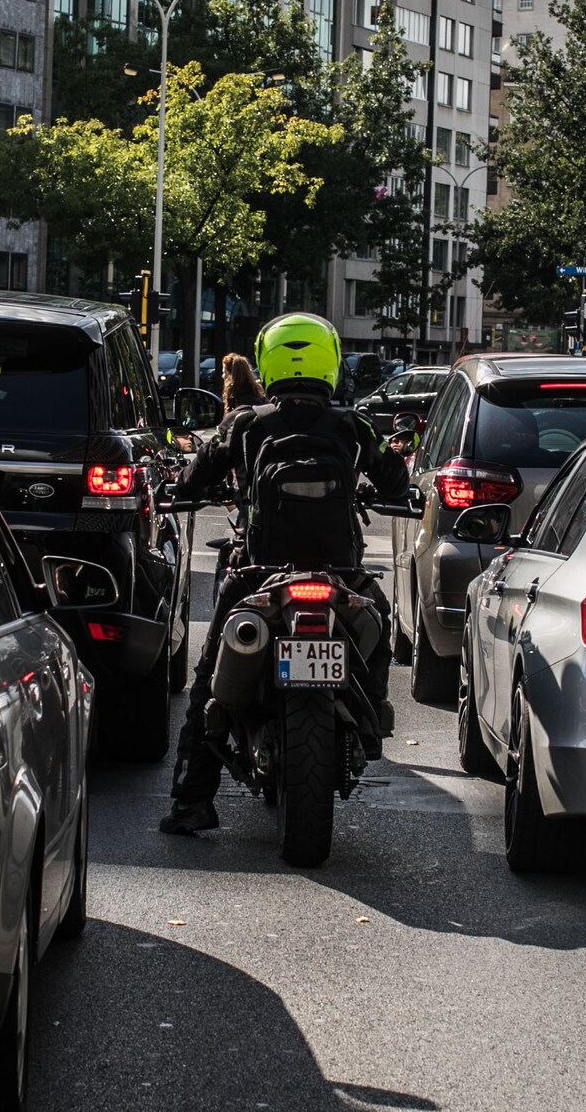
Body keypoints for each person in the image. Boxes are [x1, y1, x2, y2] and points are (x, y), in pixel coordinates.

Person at [160, 313, 413, 836]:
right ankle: (373, 719)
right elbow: (395, 477)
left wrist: (182, 489)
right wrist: (391, 493)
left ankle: (192, 802)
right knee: (380, 620)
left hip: (258, 573)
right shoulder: (351, 423)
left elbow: (197, 473)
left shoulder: (246, 422)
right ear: (331, 362)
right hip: (340, 574)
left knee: (208, 681)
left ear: (268, 361)